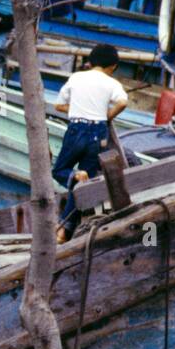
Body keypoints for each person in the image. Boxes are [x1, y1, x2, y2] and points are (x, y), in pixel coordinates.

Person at [51, 43, 129, 239]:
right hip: (99, 132)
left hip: (77, 129)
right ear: (113, 66)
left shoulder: (76, 77)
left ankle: (77, 176)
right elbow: (123, 102)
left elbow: (58, 105)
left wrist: (78, 108)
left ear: (90, 62)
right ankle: (63, 231)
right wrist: (107, 115)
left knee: (60, 171)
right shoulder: (111, 83)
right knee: (84, 187)